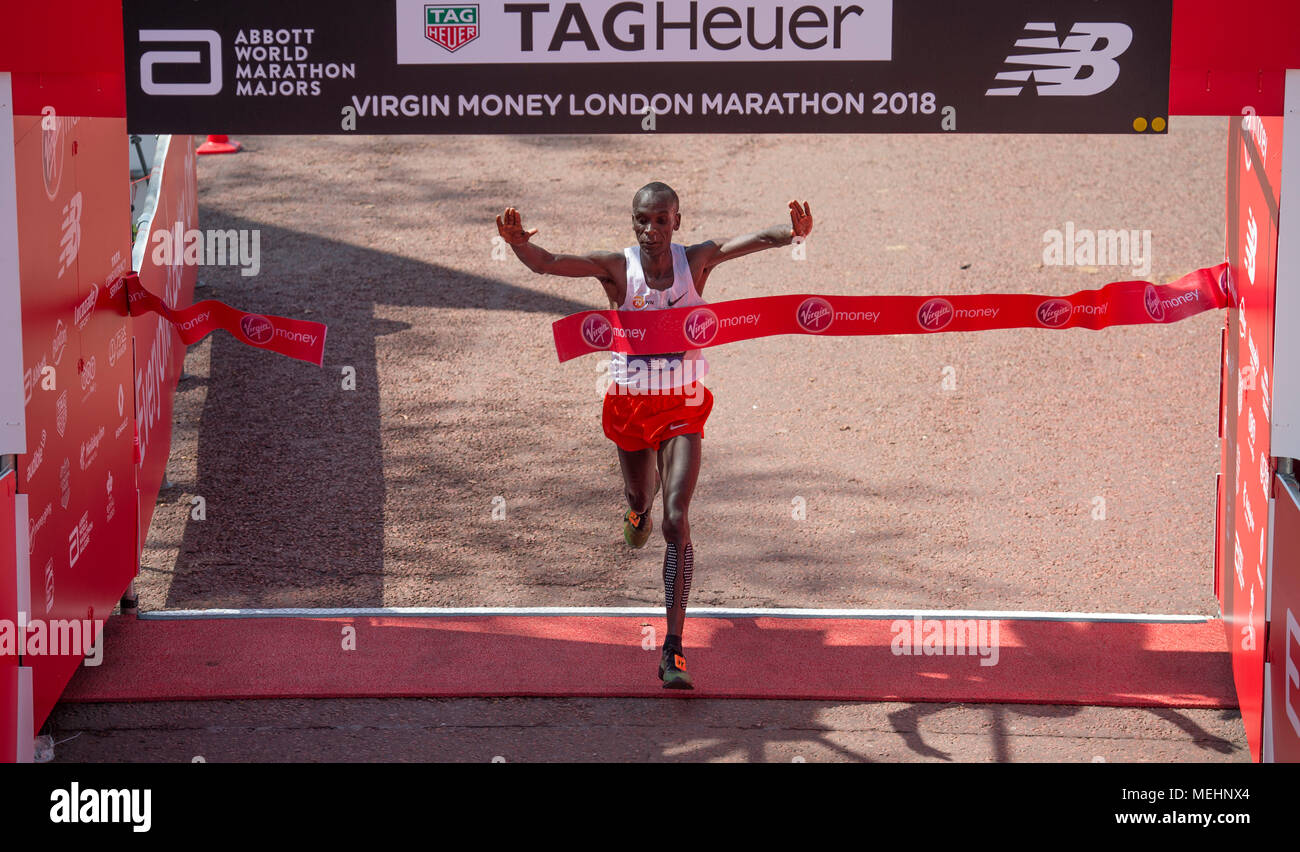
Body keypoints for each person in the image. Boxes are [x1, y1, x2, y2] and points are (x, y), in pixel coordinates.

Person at [496, 182, 813, 688]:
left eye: (661, 220)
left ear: (676, 222)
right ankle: (636, 511)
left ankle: (673, 646)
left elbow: (749, 242)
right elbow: (549, 262)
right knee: (641, 496)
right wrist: (516, 244)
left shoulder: (697, 262)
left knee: (677, 517)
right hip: (630, 405)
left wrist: (791, 233)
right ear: (634, 223)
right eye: (643, 221)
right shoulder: (619, 269)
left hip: (683, 406)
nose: (651, 230)